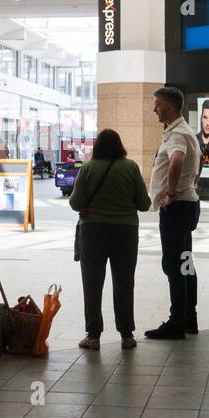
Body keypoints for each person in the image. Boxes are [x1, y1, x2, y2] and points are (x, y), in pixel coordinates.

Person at [70, 128, 150, 351]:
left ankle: (93, 336)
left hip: (93, 232)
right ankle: (126, 335)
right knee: (124, 283)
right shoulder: (130, 167)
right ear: (119, 145)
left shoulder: (87, 168)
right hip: (125, 233)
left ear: (97, 147)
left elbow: (75, 203)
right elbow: (144, 204)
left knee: (92, 284)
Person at [145, 86, 202, 340]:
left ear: (168, 107)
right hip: (187, 203)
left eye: (157, 104)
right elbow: (194, 165)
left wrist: (170, 192)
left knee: (173, 264)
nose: (154, 108)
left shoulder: (177, 133)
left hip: (177, 208)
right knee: (186, 261)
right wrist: (189, 185)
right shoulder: (186, 130)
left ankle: (176, 320)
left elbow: (178, 160)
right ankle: (189, 317)